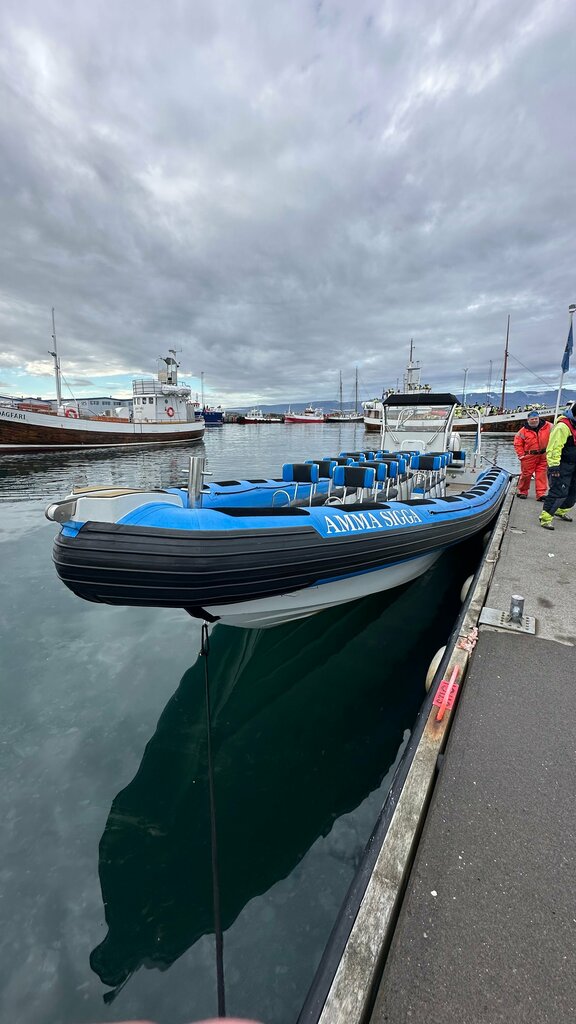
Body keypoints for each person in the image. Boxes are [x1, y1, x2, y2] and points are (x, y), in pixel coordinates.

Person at [539, 401, 576, 530]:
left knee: (573, 492)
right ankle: (546, 518)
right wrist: (554, 466)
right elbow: (554, 447)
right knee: (558, 491)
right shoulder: (562, 427)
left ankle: (561, 510)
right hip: (562, 465)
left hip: (574, 465)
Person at [513, 410, 552, 500]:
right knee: (526, 475)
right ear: (528, 420)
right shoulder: (523, 431)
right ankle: (522, 491)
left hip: (543, 454)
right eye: (532, 419)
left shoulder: (549, 426)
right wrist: (521, 455)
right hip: (529, 456)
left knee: (541, 474)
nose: (534, 420)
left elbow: (556, 436)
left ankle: (541, 494)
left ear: (539, 418)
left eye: (536, 418)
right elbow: (517, 443)